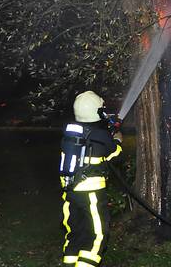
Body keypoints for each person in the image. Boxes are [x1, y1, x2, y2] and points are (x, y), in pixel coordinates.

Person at [59, 91, 123, 267]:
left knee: (76, 230)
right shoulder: (100, 136)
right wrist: (117, 138)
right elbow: (114, 155)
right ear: (97, 111)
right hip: (91, 192)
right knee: (98, 233)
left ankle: (70, 262)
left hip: (70, 192)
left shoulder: (70, 132)